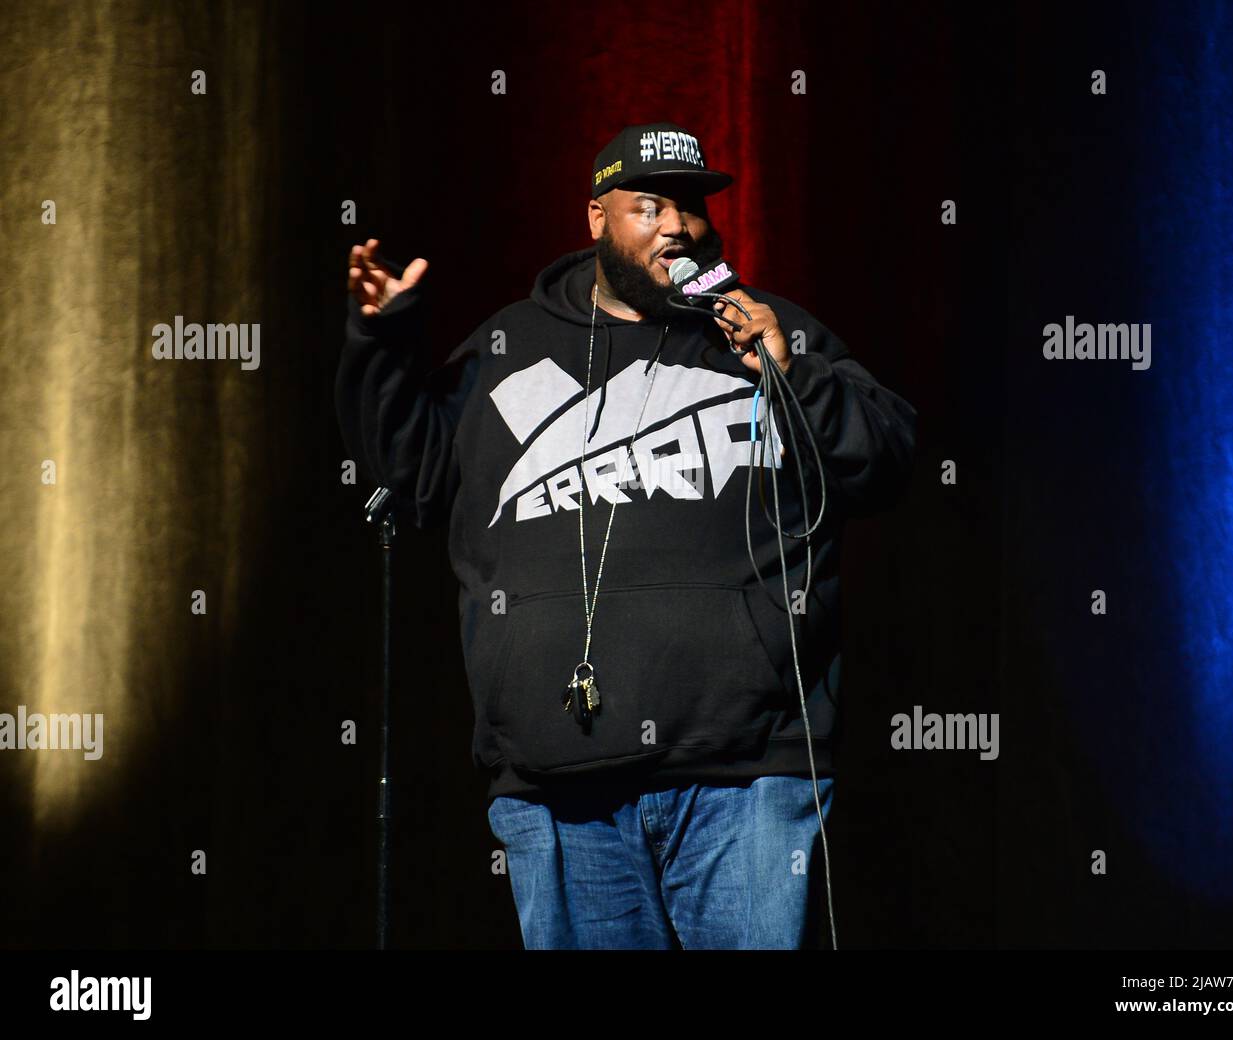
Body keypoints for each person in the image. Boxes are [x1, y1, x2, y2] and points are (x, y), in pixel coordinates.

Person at [335, 121, 918, 949]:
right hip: (557, 787)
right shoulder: (510, 350)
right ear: (597, 218)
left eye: (691, 207)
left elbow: (889, 460)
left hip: (744, 777)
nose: (678, 225)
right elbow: (410, 475)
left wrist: (795, 375)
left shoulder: (764, 330)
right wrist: (382, 343)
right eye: (649, 205)